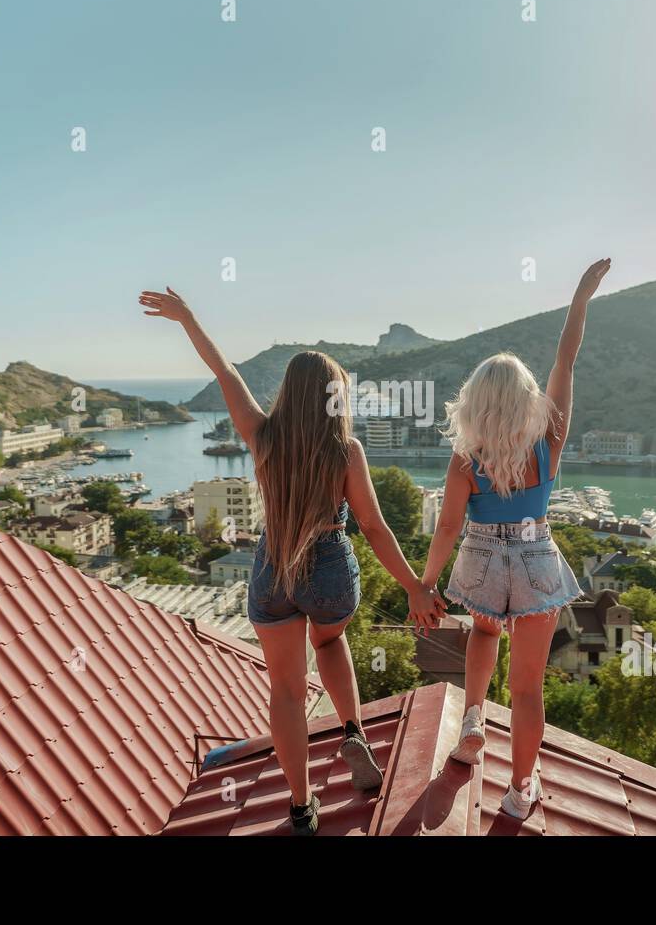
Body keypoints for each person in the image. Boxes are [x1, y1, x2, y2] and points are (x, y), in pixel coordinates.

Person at [139, 287, 445, 835]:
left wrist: (187, 319)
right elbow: (374, 527)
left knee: (285, 689)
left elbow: (224, 370)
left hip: (274, 564)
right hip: (330, 566)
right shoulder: (346, 451)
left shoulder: (261, 436)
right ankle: (352, 731)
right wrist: (413, 586)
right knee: (330, 642)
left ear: (288, 392)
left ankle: (302, 806)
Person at [419, 258, 611, 819]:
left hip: (480, 554)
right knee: (527, 689)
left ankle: (473, 717)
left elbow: (448, 527)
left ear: (474, 403)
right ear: (528, 399)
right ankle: (520, 791)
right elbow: (566, 360)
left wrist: (426, 583)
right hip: (535, 555)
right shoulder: (549, 441)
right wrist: (580, 299)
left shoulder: (465, 459)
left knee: (483, 633)